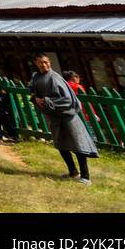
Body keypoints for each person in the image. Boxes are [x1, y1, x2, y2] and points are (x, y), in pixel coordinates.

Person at [29, 54, 98, 184]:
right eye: (40, 63)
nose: (43, 65)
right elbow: (32, 91)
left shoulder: (55, 78)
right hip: (54, 117)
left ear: (49, 62)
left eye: (45, 62)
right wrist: (35, 98)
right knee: (61, 144)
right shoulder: (36, 77)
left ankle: (85, 176)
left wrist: (47, 100)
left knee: (78, 146)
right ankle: (73, 171)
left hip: (68, 116)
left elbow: (68, 100)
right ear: (36, 64)